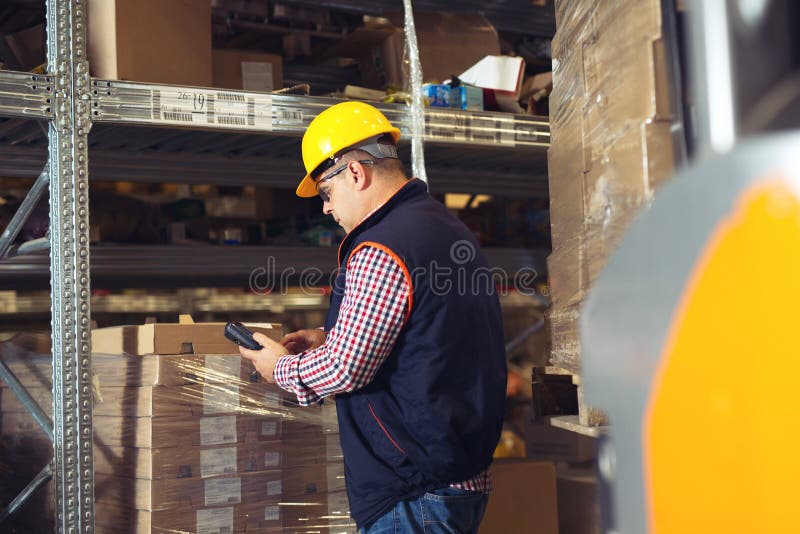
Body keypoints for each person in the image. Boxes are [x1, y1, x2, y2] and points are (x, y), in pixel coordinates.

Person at [239, 101, 507, 534]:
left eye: (326, 193)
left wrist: (279, 368)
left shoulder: (382, 247)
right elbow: (427, 330)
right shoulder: (445, 228)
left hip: (415, 489)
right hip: (460, 475)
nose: (326, 208)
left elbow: (345, 368)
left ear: (356, 174)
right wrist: (331, 334)